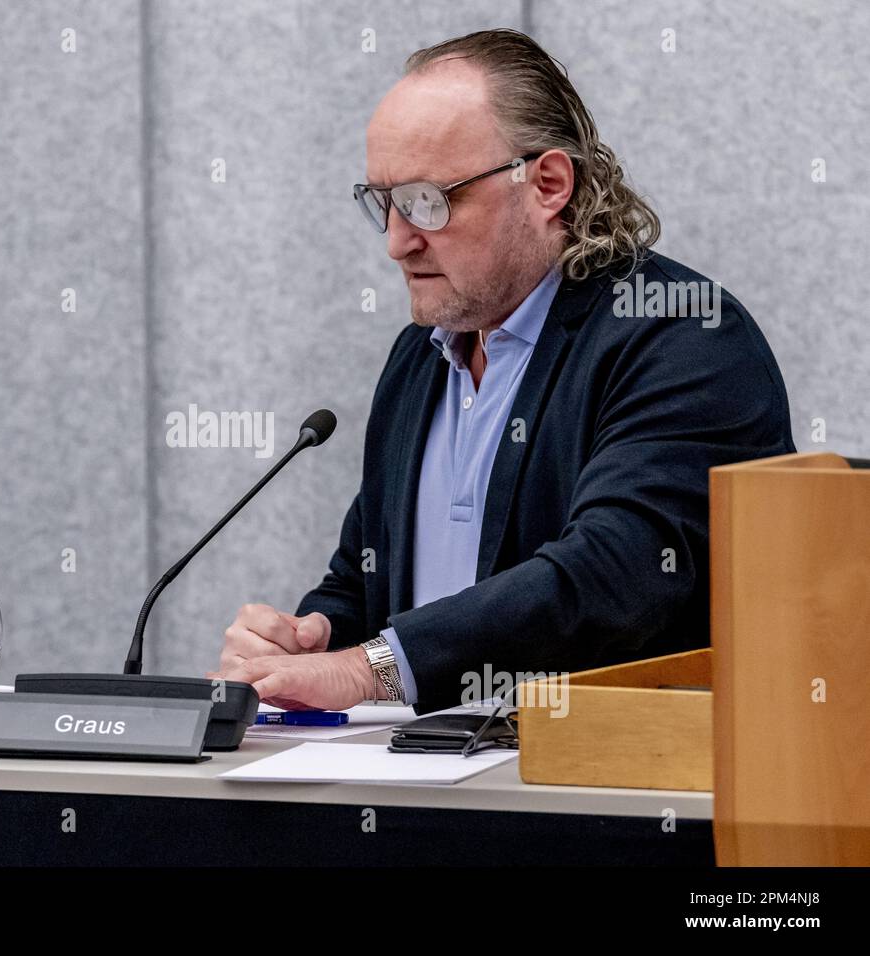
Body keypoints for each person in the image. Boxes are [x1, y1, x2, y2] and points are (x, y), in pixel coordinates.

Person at [209, 29, 794, 716]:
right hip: (417, 784)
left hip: (597, 794)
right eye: (385, 201)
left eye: (430, 200)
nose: (399, 240)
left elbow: (615, 577)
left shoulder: (679, 333)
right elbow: (368, 583)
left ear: (547, 184)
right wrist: (311, 642)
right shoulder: (418, 358)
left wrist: (372, 668)